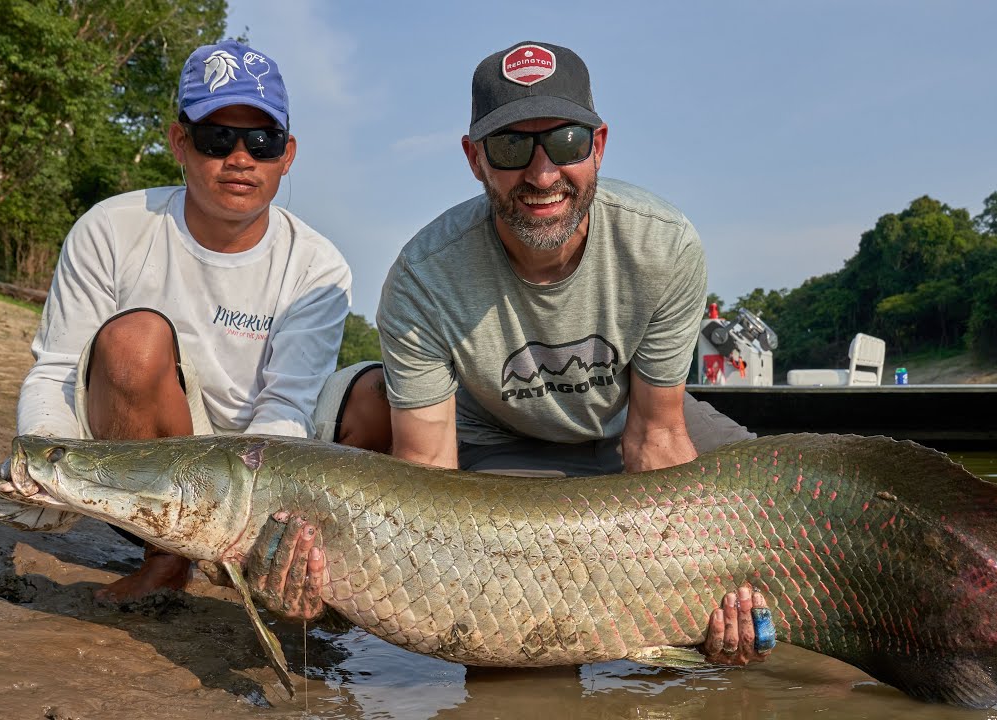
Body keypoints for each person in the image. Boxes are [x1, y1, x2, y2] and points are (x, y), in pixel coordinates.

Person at [261, 40, 774, 666]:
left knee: (774, 526)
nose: (541, 174)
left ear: (599, 146)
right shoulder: (423, 278)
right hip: (502, 436)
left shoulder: (665, 246)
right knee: (515, 657)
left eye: (564, 143)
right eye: (510, 148)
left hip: (630, 419)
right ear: (475, 160)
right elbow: (427, 479)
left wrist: (684, 584)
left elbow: (658, 436)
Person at [0, 39, 368, 603]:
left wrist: (250, 523)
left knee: (378, 396)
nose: (240, 158)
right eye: (218, 138)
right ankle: (165, 561)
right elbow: (56, 371)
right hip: (152, 466)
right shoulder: (109, 229)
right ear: (179, 144)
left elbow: (287, 409)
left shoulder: (318, 265)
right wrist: (46, 468)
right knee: (134, 341)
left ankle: (319, 581)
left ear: (287, 156)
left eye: (262, 141)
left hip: (262, 463)